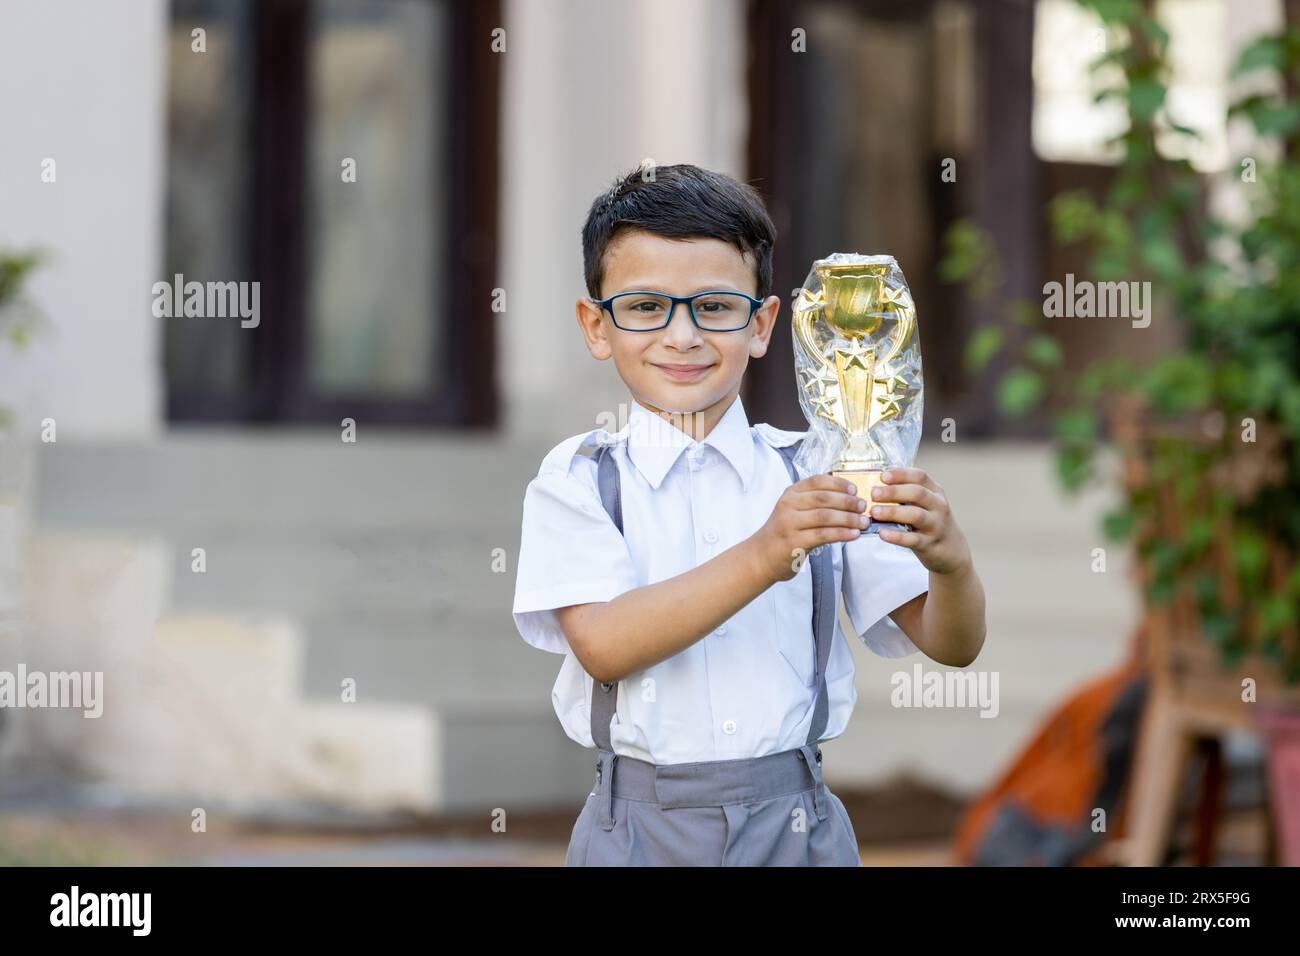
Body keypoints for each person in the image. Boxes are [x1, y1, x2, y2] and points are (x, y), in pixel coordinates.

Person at [512, 164, 986, 866]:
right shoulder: (581, 478)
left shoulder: (822, 471)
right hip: (638, 830)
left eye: (715, 307)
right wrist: (766, 554)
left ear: (763, 324)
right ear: (596, 326)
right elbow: (605, 644)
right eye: (645, 307)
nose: (682, 336)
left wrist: (952, 564)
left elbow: (951, 644)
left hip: (795, 826)